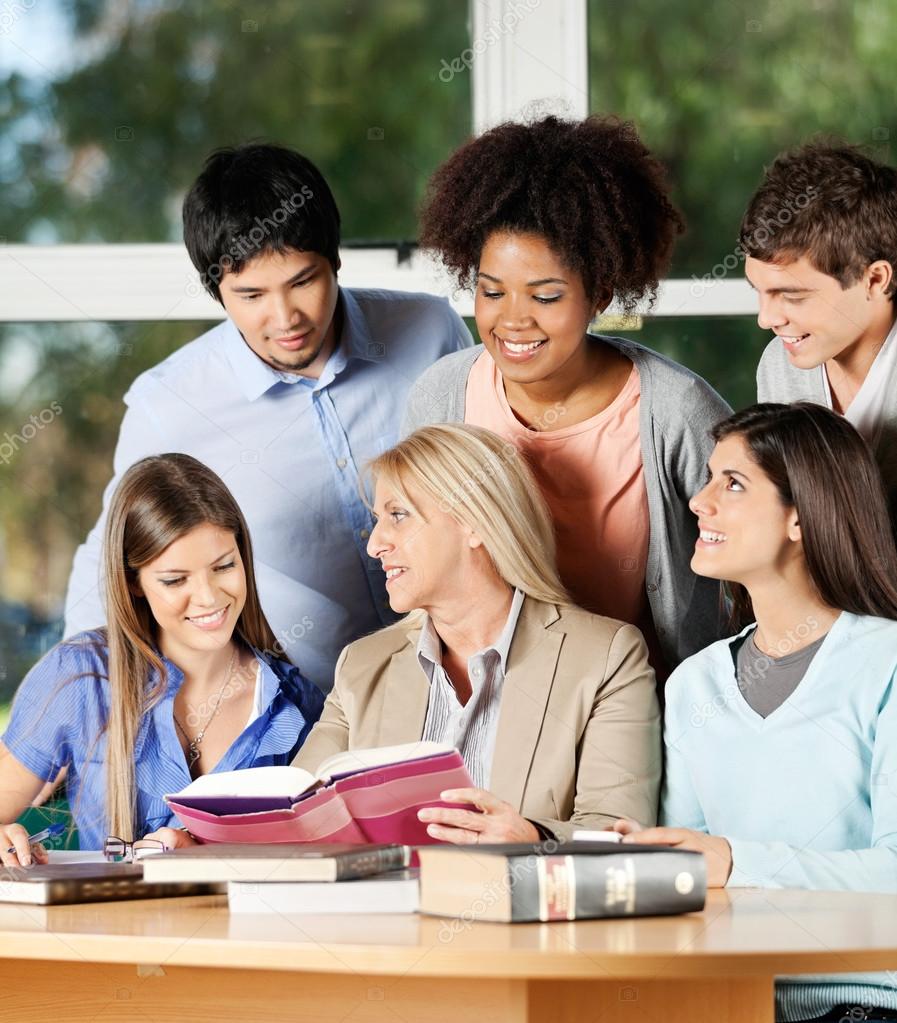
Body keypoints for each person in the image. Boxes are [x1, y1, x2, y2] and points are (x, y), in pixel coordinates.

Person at [64, 142, 471, 691]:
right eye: (251, 294)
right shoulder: (168, 405)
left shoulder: (430, 332)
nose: (285, 319)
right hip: (307, 707)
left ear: (335, 259)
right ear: (217, 291)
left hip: (462, 675)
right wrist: (69, 705)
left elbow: (491, 491)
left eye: (303, 282)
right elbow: (111, 563)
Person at [403, 114, 731, 677]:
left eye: (546, 297)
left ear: (599, 293)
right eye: (492, 292)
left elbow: (763, 543)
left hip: (639, 698)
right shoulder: (442, 397)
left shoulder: (674, 409)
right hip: (486, 695)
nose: (513, 320)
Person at [615, 404, 897, 1023]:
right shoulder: (694, 684)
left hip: (866, 1004)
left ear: (800, 515)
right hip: (727, 1002)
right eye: (708, 479)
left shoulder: (886, 662)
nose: (699, 502)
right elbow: (689, 875)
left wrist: (734, 861)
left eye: (734, 484)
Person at [292, 423, 661, 843]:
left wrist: (533, 838)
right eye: (378, 520)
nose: (375, 544)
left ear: (474, 524)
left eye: (398, 515)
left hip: (522, 886)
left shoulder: (606, 657)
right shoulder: (361, 666)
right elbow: (295, 813)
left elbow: (620, 834)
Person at [0, 454, 324, 862]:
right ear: (133, 582)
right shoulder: (82, 675)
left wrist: (205, 856)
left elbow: (318, 856)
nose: (208, 598)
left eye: (224, 566)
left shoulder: (295, 705)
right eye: (175, 580)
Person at [745, 141, 897, 522]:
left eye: (791, 295)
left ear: (875, 280)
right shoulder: (779, 366)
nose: (766, 319)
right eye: (758, 291)